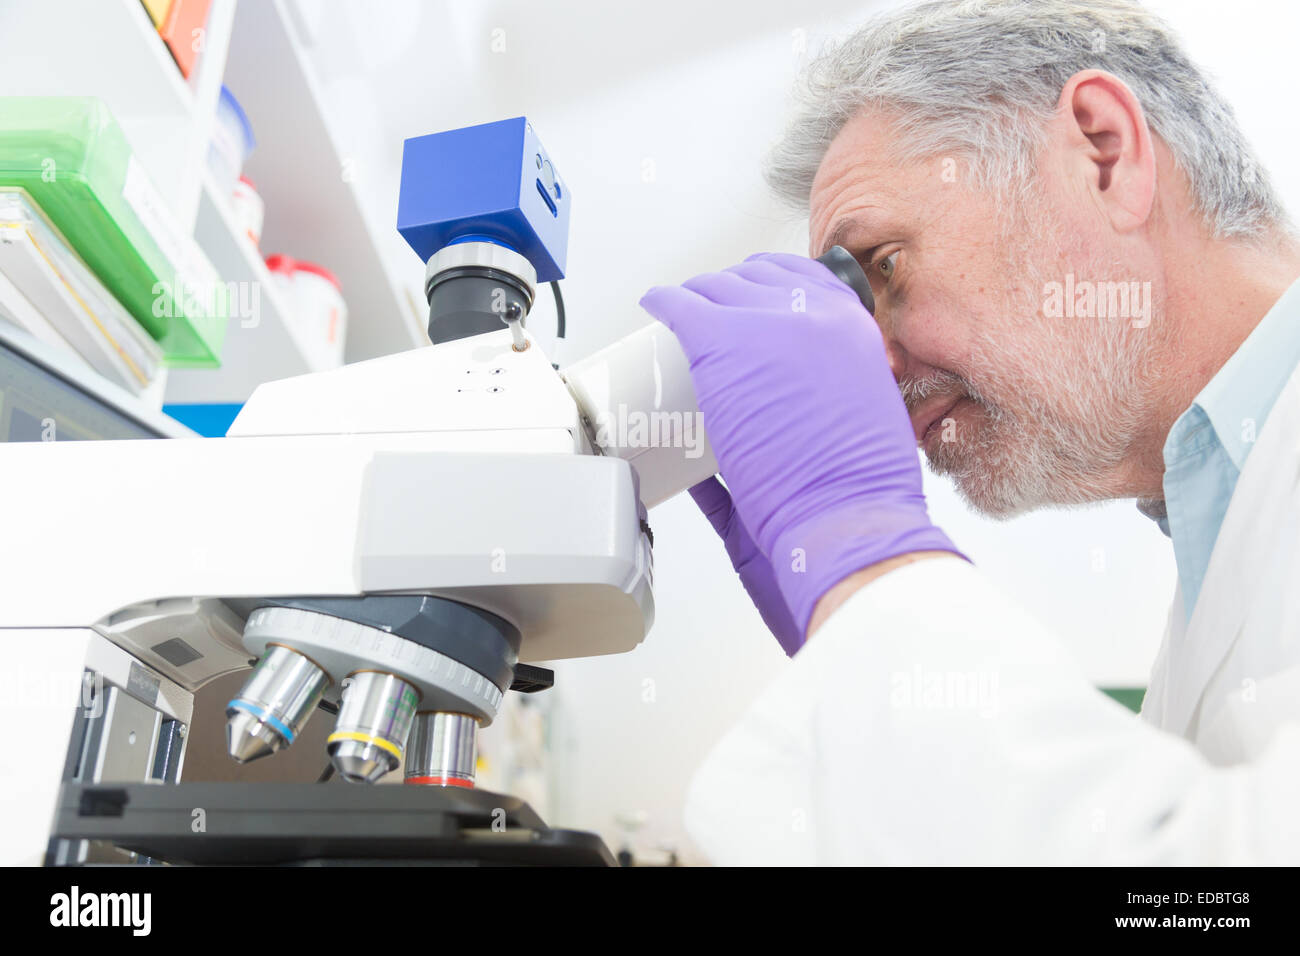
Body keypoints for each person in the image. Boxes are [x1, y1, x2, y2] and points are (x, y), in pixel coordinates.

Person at [639, 0, 1300, 864]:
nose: (870, 367)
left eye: (881, 266)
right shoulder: (1222, 522)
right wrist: (859, 657)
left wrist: (868, 563)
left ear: (1103, 155)